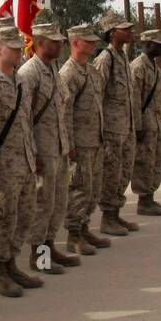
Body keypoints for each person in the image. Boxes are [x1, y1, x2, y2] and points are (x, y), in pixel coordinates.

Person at [0, 24, 40, 297]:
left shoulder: (20, 82)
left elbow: (27, 123)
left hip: (23, 164)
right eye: (13, 48)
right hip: (1, 168)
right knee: (1, 219)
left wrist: (32, 156)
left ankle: (12, 264)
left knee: (22, 217)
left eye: (19, 47)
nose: (18, 52)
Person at [18, 22, 80, 274]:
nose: (59, 44)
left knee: (57, 201)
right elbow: (23, 117)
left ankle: (50, 246)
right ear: (40, 43)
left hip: (58, 146)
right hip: (42, 149)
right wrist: (32, 151)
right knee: (42, 204)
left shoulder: (52, 69)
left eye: (60, 40)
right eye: (54, 41)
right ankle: (38, 256)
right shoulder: (29, 73)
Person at [58, 23, 108, 257]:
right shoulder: (68, 73)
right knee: (78, 188)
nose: (93, 44)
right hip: (79, 143)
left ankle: (85, 227)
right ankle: (74, 235)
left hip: (94, 140)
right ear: (76, 42)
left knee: (92, 189)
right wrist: (69, 145)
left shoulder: (90, 70)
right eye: (88, 41)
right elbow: (65, 112)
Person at [94, 18, 140, 237]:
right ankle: (107, 218)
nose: (130, 31)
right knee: (111, 173)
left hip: (126, 127)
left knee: (123, 172)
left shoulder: (122, 56)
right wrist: (100, 130)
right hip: (112, 130)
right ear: (112, 32)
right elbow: (97, 94)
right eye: (125, 29)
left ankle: (116, 213)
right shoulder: (106, 59)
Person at [130, 29, 161, 216]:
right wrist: (137, 126)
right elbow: (134, 100)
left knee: (156, 161)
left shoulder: (154, 67)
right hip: (145, 124)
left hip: (157, 122)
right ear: (146, 44)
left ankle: (150, 196)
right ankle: (144, 200)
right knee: (144, 162)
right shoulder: (138, 67)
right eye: (158, 44)